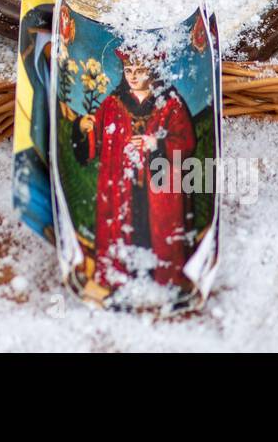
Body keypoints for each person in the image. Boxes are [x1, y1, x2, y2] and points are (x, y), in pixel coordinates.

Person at [81, 46, 195, 288]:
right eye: (128, 70)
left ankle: (162, 282)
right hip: (122, 185)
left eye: (140, 70)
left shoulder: (170, 104)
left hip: (158, 186)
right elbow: (95, 140)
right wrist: (85, 128)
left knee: (157, 234)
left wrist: (155, 143)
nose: (133, 76)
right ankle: (124, 282)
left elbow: (186, 142)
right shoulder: (112, 104)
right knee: (125, 232)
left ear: (152, 72)